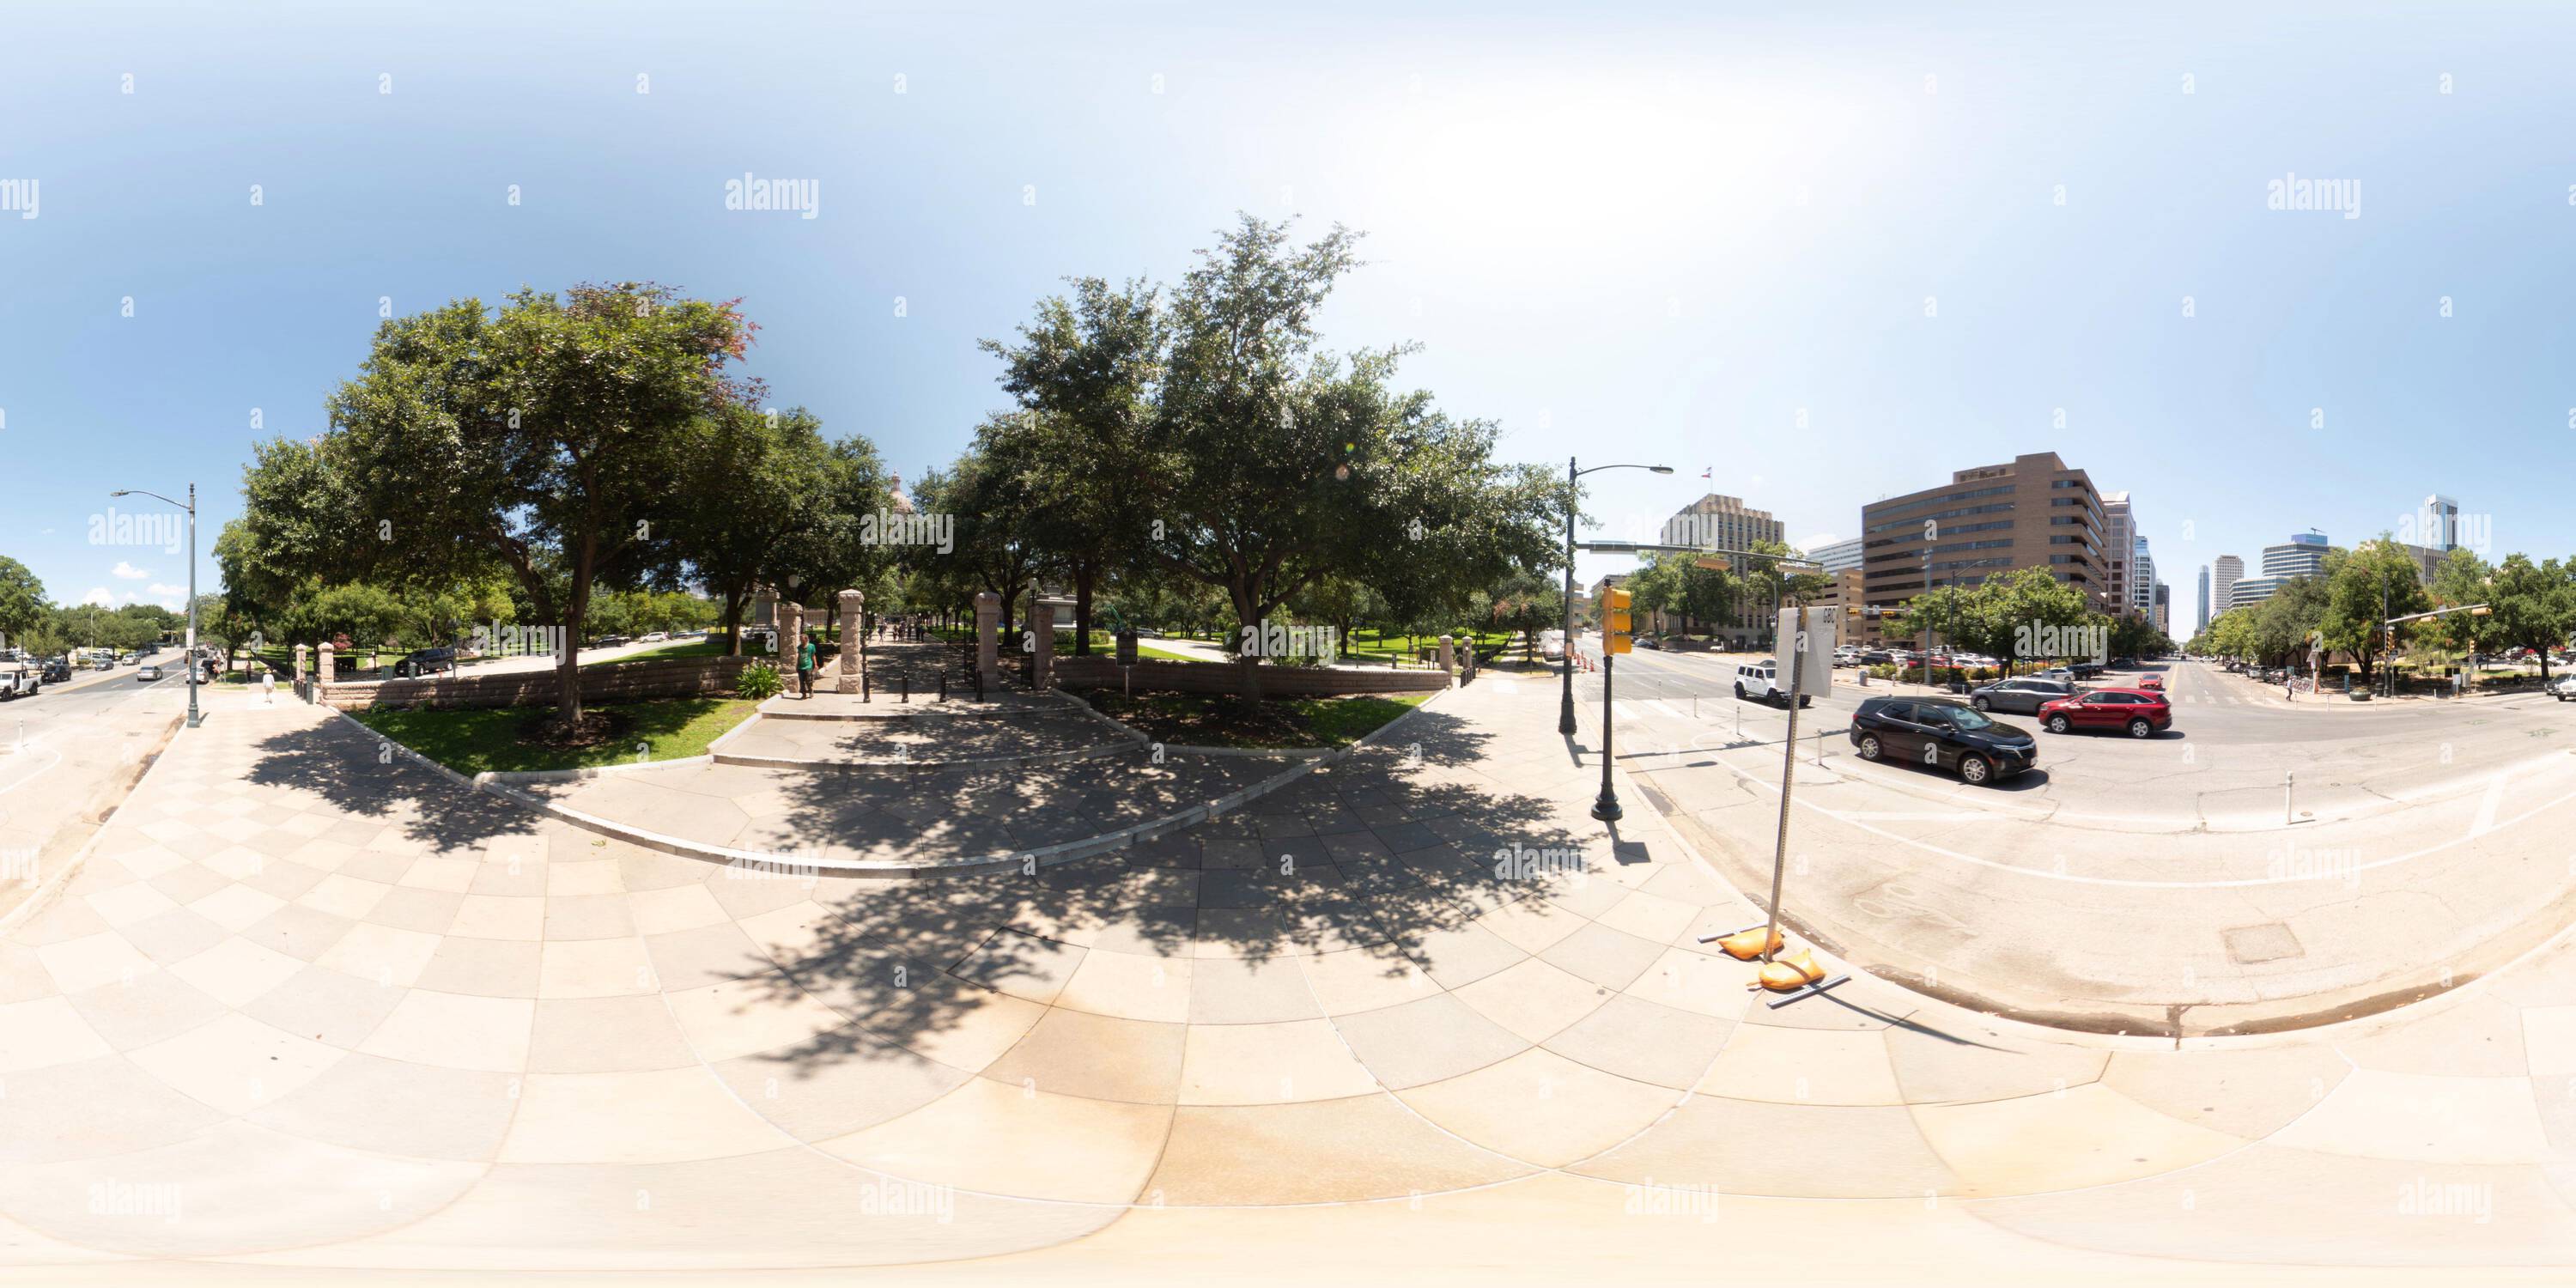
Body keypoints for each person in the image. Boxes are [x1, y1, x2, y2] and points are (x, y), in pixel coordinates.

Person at [797, 632, 818, 699]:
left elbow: (813, 656)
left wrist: (815, 664)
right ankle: (804, 695)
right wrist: (797, 665)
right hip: (801, 667)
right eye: (800, 640)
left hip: (808, 666)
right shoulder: (799, 647)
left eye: (802, 640)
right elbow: (799, 656)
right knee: (801, 681)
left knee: (808, 681)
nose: (801, 641)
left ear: (806, 639)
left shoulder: (811, 646)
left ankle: (811, 691)